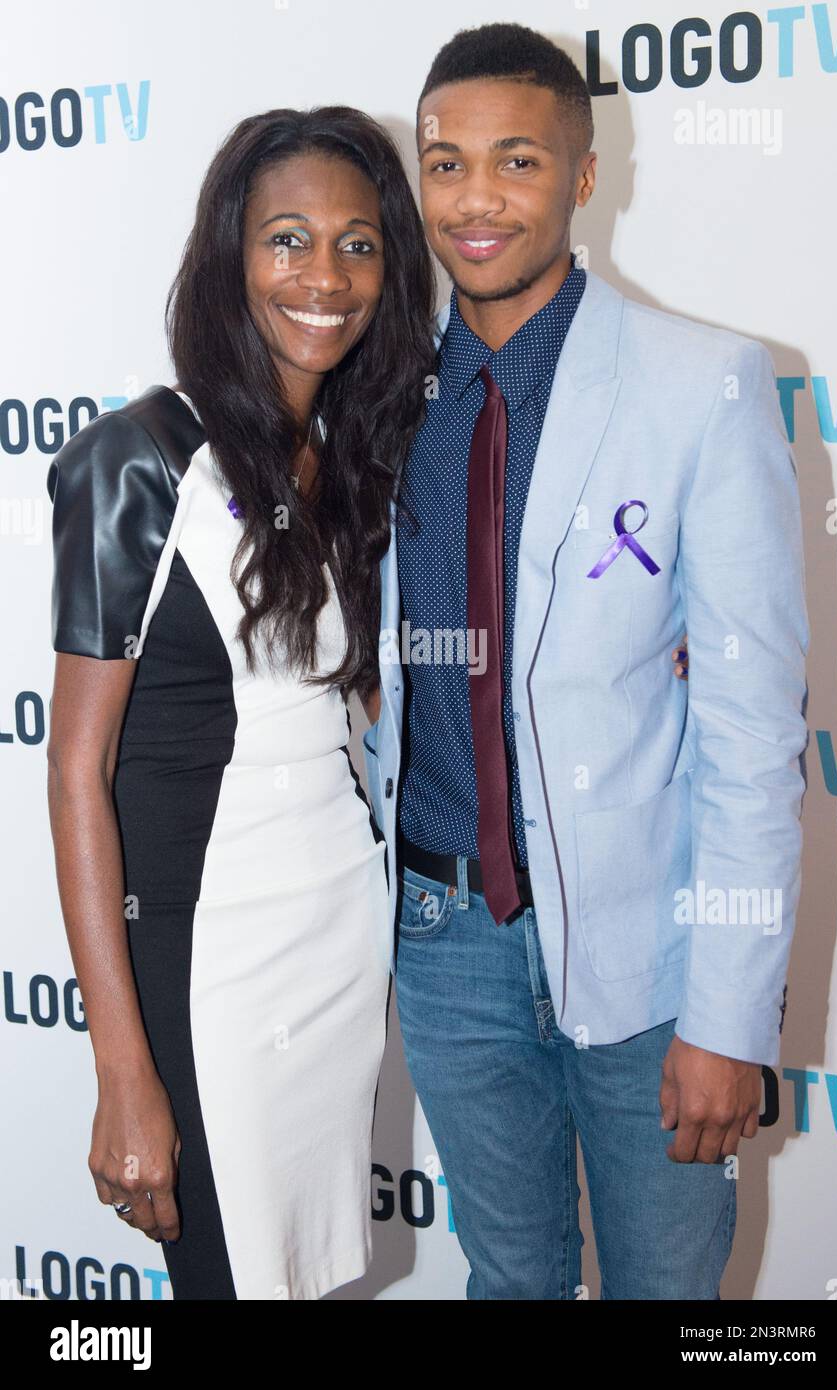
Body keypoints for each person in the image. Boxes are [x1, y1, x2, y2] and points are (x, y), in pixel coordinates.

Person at [363, 23, 808, 1300]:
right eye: (445, 165)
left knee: (669, 1292)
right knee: (508, 1280)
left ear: (583, 174)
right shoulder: (376, 396)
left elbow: (749, 730)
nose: (476, 200)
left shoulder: (700, 383)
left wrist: (728, 1016)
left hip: (646, 945)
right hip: (443, 937)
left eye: (516, 161)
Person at [45, 107, 435, 1300]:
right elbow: (76, 771)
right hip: (205, 955)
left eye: (358, 244)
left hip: (336, 934)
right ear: (230, 255)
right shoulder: (136, 459)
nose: (325, 276)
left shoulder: (354, 460)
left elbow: (371, 699)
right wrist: (123, 1068)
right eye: (287, 239)